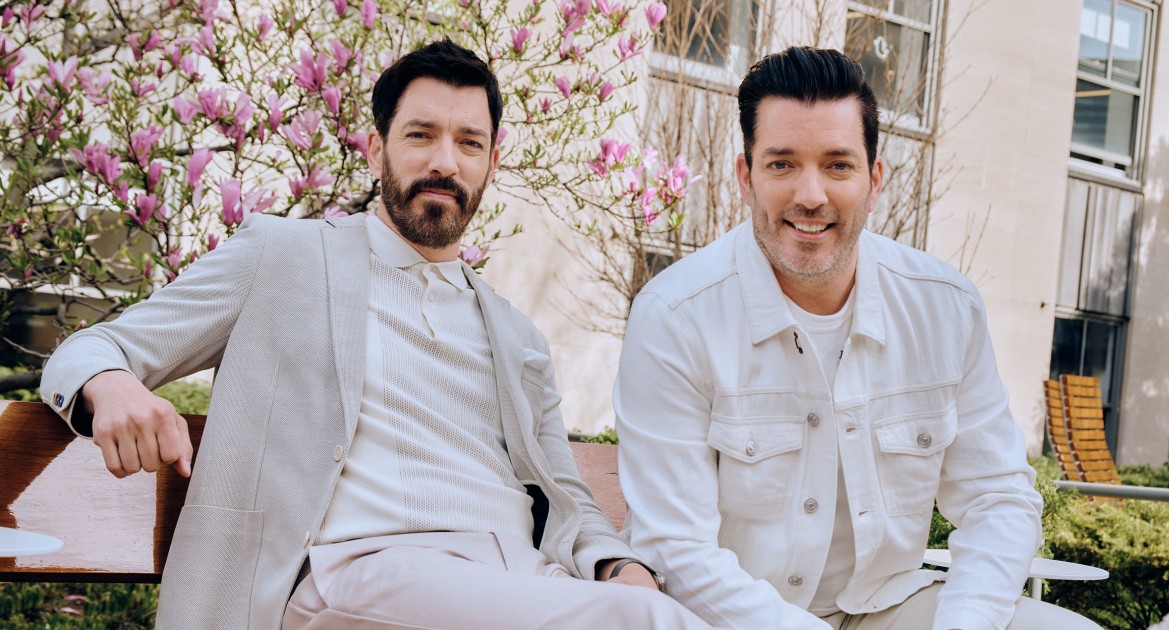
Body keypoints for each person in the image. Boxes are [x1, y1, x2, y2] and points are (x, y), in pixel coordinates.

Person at [40, 40, 710, 630]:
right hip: (358, 573)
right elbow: (93, 348)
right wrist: (111, 383)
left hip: (521, 582)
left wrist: (619, 564)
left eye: (469, 143)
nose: (445, 162)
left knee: (658, 611)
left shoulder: (517, 336)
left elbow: (568, 499)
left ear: (492, 162)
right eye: (421, 135)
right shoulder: (282, 257)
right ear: (374, 148)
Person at [614, 46, 1101, 630]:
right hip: (724, 618)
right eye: (782, 164)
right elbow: (677, 551)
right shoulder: (675, 315)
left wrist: (966, 621)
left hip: (884, 606)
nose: (810, 195)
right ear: (746, 178)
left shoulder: (945, 308)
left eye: (838, 165)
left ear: (875, 179)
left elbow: (998, 498)